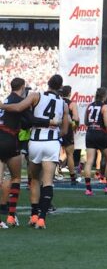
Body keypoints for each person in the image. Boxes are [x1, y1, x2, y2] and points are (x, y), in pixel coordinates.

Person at [1, 74, 70, 229]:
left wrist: (2, 106)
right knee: (48, 181)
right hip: (52, 142)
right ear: (60, 87)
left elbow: (18, 108)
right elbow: (65, 130)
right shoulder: (64, 104)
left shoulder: (35, 96)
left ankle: (33, 215)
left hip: (35, 142)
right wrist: (54, 134)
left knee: (34, 180)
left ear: (48, 83)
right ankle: (41, 219)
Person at [0, 78, 27, 227]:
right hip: (10, 140)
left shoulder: (6, 99)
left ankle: (2, 210)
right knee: (15, 177)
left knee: (2, 178)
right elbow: (28, 120)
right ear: (22, 87)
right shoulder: (20, 101)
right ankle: (11, 215)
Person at [83, 88, 107, 196]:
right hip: (101, 134)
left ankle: (88, 189)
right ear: (105, 96)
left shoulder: (89, 106)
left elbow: (86, 122)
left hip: (90, 133)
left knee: (89, 161)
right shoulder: (105, 106)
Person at [59, 85, 79, 185]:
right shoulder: (72, 104)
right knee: (70, 155)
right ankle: (72, 178)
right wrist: (75, 126)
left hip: (56, 128)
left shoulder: (57, 101)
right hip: (67, 130)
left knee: (54, 154)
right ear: (70, 93)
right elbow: (76, 118)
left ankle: (52, 174)